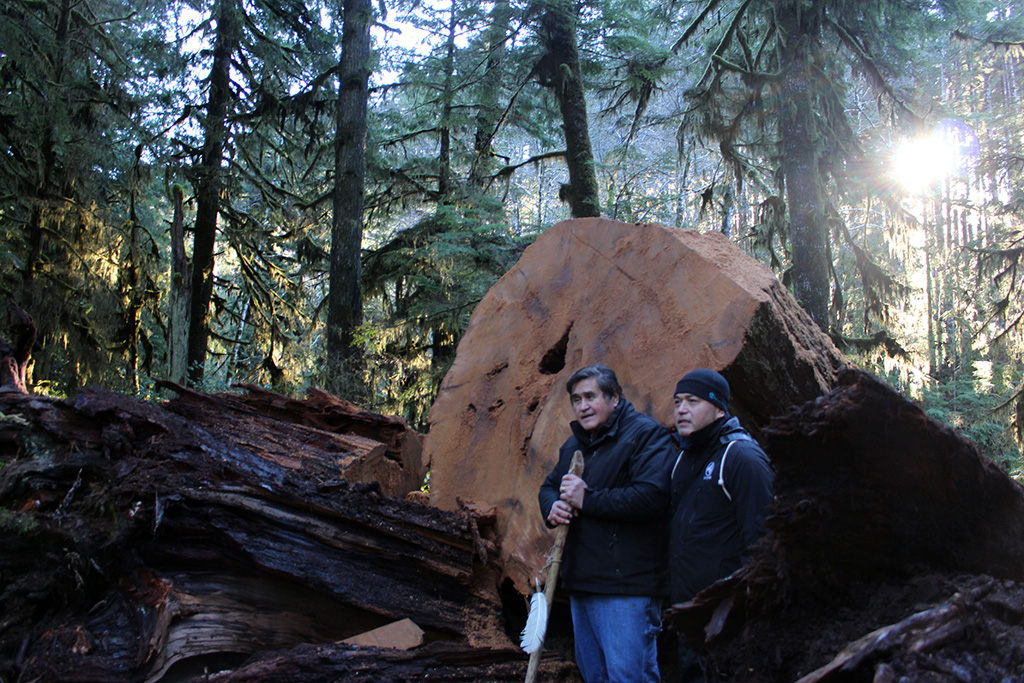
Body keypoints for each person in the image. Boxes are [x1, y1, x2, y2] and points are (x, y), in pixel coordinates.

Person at [539, 364, 676, 683]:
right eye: (576, 399)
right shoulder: (575, 444)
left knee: (629, 677)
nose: (582, 406)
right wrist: (553, 508)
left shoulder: (646, 436)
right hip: (581, 583)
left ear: (614, 397)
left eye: (591, 396)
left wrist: (588, 499)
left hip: (626, 587)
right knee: (595, 676)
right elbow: (548, 487)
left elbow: (653, 496)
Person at [668, 369, 774, 683]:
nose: (681, 409)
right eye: (677, 402)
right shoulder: (684, 457)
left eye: (692, 401)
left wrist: (736, 605)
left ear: (719, 409)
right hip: (689, 614)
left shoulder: (742, 457)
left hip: (726, 619)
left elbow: (764, 540)